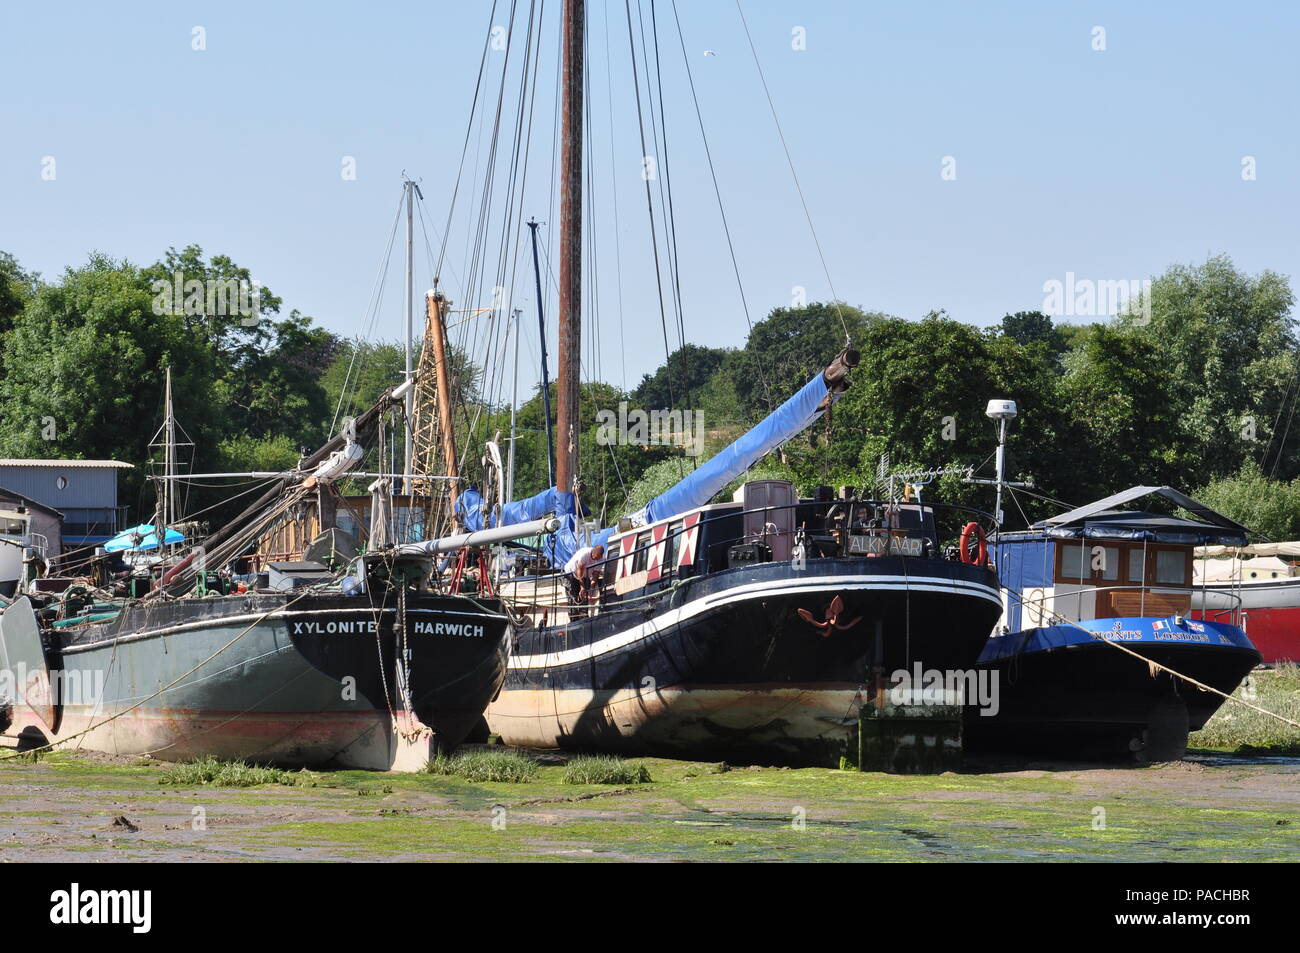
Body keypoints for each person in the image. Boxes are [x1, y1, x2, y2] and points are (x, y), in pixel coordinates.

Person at [563, 543, 605, 608]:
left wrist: (592, 588)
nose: (596, 560)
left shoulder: (601, 559)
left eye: (598, 558)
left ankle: (583, 615)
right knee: (573, 596)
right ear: (593, 552)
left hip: (585, 575)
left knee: (584, 595)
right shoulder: (585, 554)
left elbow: (596, 574)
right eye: (595, 558)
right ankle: (574, 616)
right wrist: (582, 587)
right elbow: (579, 571)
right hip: (571, 573)